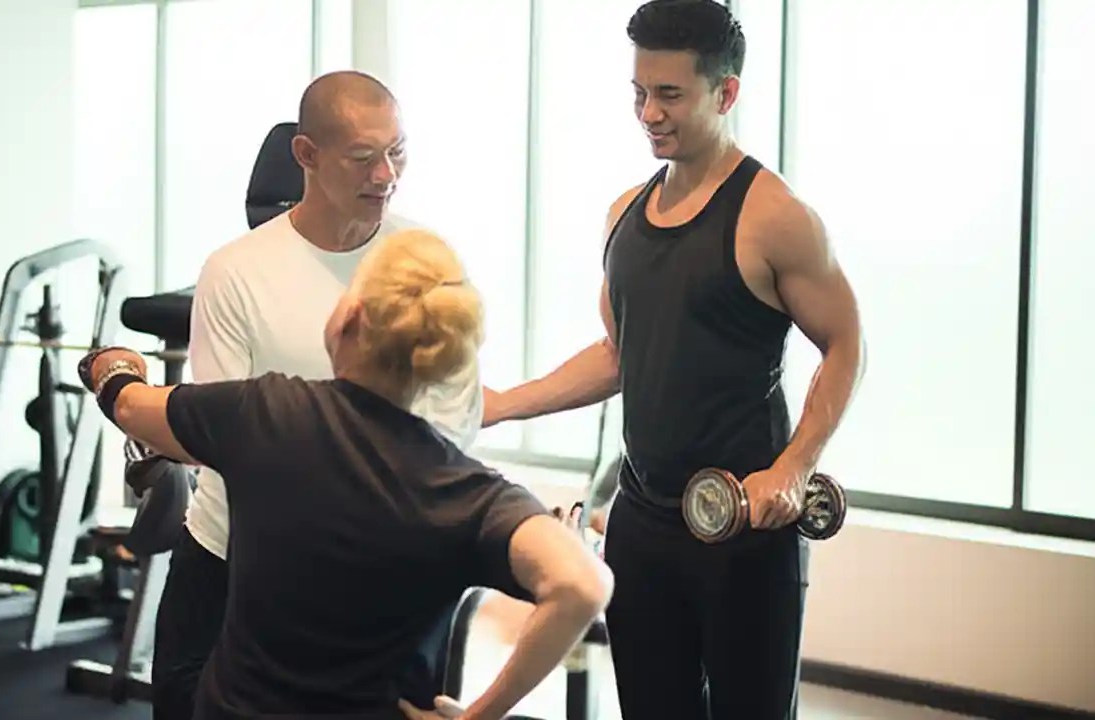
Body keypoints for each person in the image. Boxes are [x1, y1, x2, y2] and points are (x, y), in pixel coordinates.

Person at [482, 1, 865, 718]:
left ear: (725, 93)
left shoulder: (773, 216)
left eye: (669, 95)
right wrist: (503, 402)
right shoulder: (624, 214)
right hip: (642, 526)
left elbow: (846, 342)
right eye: (638, 92)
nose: (648, 113)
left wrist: (795, 465)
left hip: (744, 533)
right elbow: (620, 357)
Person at [79, 228, 613, 720]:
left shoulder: (267, 413)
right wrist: (479, 716)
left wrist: (111, 365)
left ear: (348, 319)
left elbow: (129, 407)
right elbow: (582, 585)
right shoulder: (466, 492)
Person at [153, 71, 484, 720]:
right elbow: (227, 435)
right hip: (236, 561)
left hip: (382, 567)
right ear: (305, 156)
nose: (386, 174)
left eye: (398, 150)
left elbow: (453, 419)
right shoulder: (236, 271)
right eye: (363, 157)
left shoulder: (426, 259)